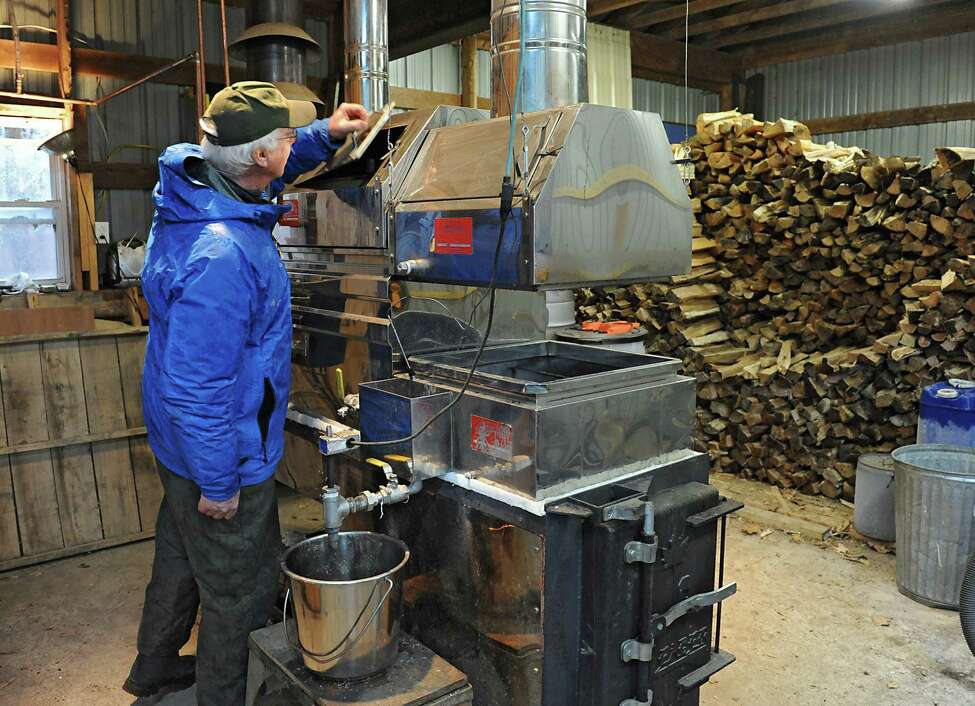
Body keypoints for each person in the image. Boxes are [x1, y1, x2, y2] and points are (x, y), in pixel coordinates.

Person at [123, 81, 368, 705]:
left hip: (179, 445)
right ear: (260, 156)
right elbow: (198, 386)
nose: (291, 144)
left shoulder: (200, 185)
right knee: (240, 593)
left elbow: (270, 159)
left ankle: (153, 669)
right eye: (287, 137)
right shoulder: (223, 254)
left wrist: (325, 135)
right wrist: (219, 483)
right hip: (222, 451)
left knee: (181, 556)